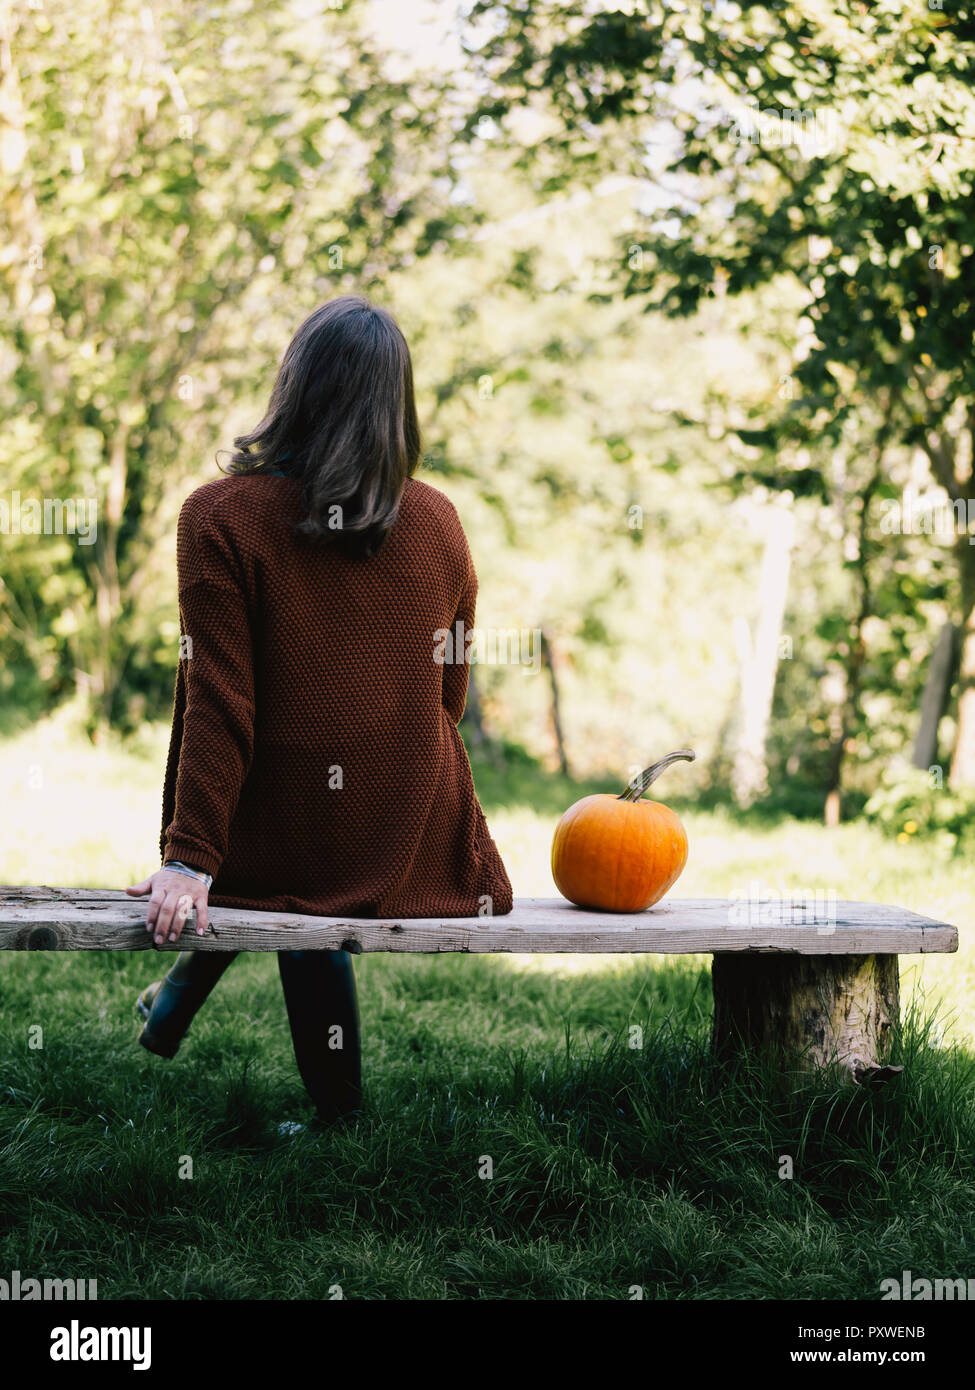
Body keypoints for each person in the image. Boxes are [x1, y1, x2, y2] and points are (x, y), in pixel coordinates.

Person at [126, 295, 513, 1128]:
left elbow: (220, 701)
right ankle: (168, 1013)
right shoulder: (440, 520)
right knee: (296, 857)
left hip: (298, 834)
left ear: (294, 384)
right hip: (409, 830)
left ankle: (338, 1118)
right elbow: (450, 694)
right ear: (394, 405)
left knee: (293, 880)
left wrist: (190, 860)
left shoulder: (220, 515)